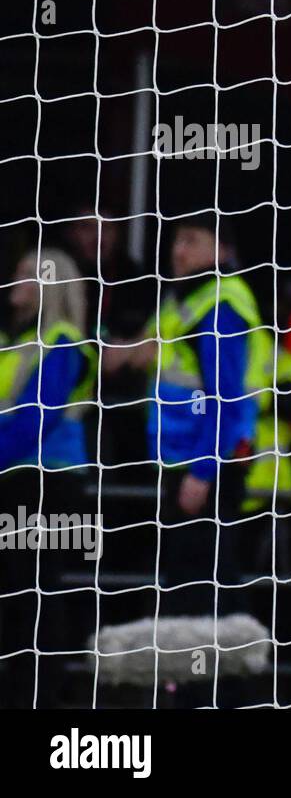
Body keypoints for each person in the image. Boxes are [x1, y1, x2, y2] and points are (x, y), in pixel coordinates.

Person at [104, 214, 261, 704]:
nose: (178, 251)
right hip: (186, 468)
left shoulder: (219, 306)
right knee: (197, 589)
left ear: (223, 249)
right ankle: (207, 692)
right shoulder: (186, 304)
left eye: (192, 241)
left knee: (203, 593)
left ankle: (220, 694)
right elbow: (151, 355)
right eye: (175, 241)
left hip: (205, 471)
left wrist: (201, 472)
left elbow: (226, 400)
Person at [0, 248, 98, 708]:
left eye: (27, 274)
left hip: (48, 484)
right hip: (18, 479)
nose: (15, 281)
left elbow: (37, 417)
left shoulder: (63, 342)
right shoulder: (13, 341)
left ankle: (39, 696)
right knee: (21, 595)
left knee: (35, 594)